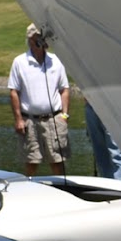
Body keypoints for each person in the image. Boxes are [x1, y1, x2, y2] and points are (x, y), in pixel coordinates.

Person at [7, 23, 71, 176]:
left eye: (44, 38)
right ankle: (29, 190)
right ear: (30, 40)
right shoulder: (20, 62)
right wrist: (18, 119)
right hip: (30, 120)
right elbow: (14, 92)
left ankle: (63, 191)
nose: (43, 41)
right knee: (31, 161)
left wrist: (64, 115)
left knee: (57, 160)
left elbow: (64, 89)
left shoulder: (56, 61)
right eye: (39, 38)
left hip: (54, 118)